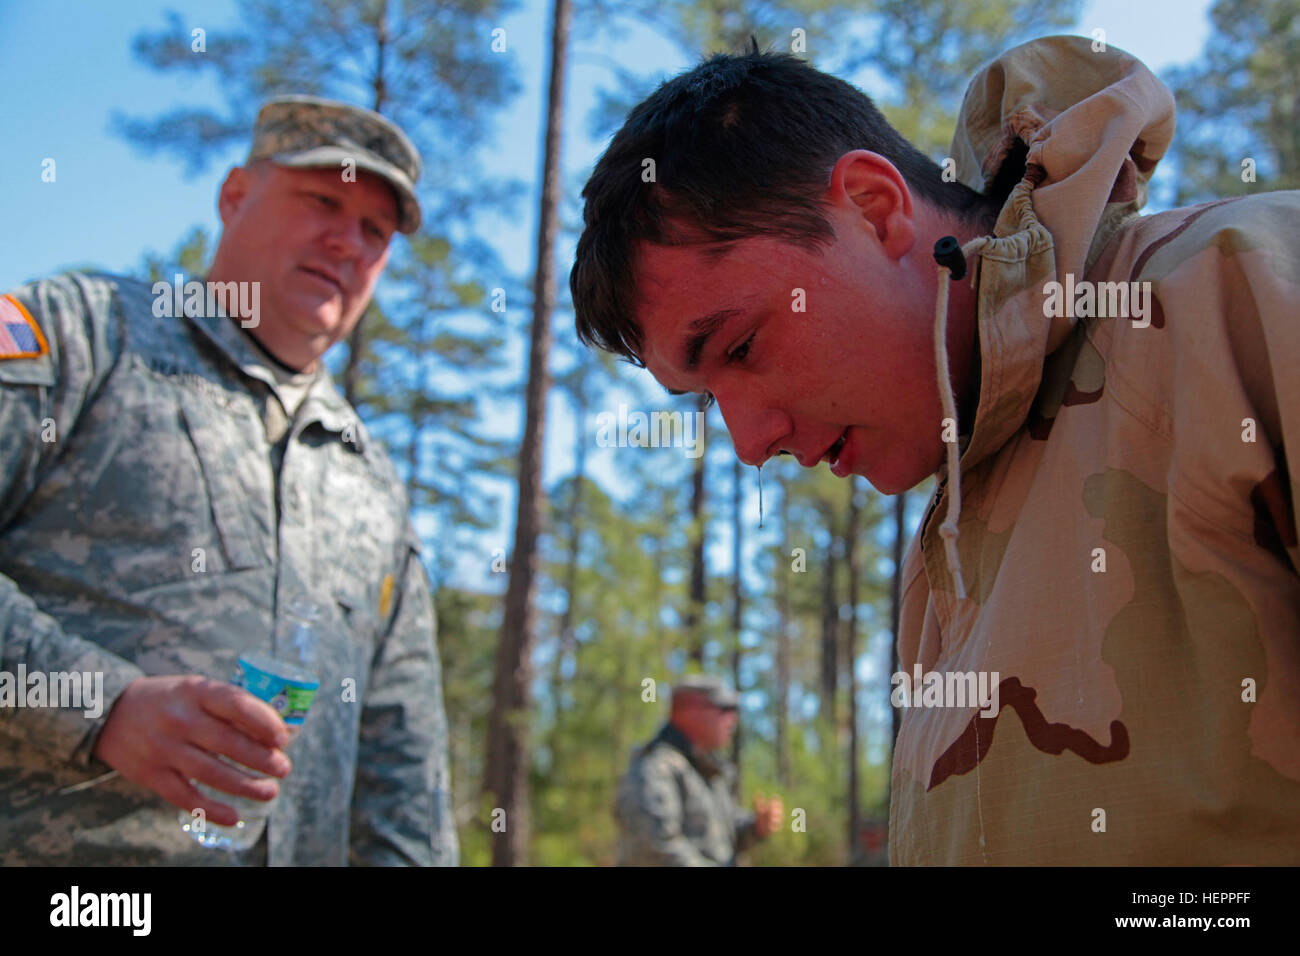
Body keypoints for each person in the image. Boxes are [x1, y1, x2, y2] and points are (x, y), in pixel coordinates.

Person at [572, 37, 1300, 864]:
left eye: (739, 348)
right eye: (704, 400)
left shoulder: (1246, 294)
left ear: (876, 208)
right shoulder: (950, 540)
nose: (749, 444)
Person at [0, 95, 458, 865]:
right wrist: (99, 705)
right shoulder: (82, 333)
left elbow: (402, 766)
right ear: (234, 196)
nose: (347, 241)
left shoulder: (372, 480)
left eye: (374, 231)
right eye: (323, 200)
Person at [615, 676, 783, 865]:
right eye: (725, 709)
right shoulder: (656, 769)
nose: (733, 718)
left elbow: (722, 835)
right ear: (690, 711)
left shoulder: (708, 770)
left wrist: (755, 828)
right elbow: (655, 850)